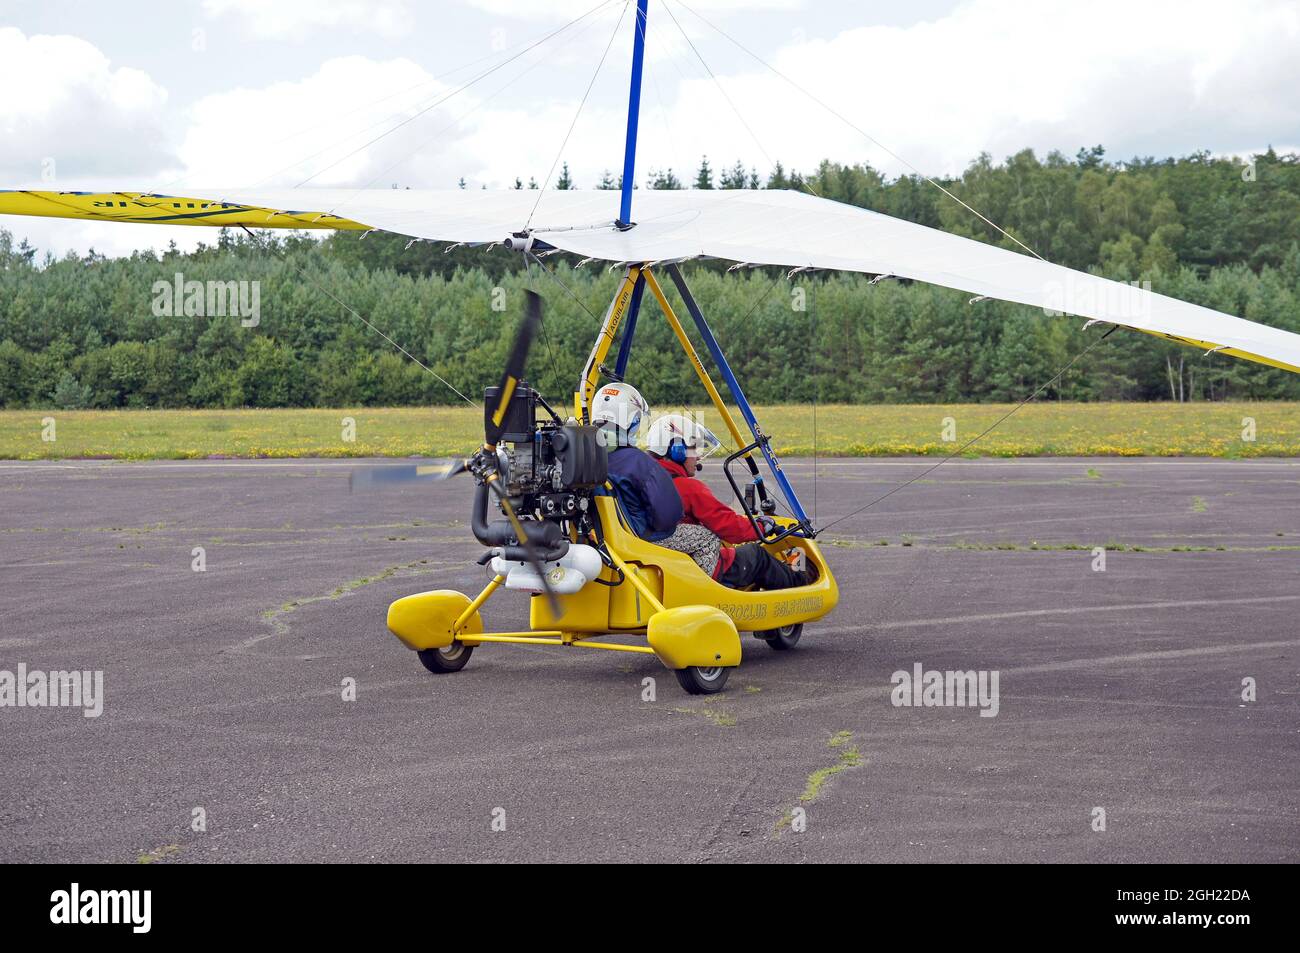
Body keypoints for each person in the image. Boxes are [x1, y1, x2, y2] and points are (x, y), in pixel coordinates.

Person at [645, 413, 809, 590]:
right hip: (702, 569)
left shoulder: (645, 479)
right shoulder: (687, 488)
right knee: (756, 555)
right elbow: (729, 526)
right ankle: (801, 577)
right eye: (694, 449)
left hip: (674, 558)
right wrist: (762, 526)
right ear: (677, 451)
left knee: (730, 547)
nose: (698, 457)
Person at [591, 383, 682, 541]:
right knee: (707, 538)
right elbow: (667, 517)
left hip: (600, 537)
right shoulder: (639, 463)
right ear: (632, 421)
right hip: (638, 539)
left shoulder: (582, 458)